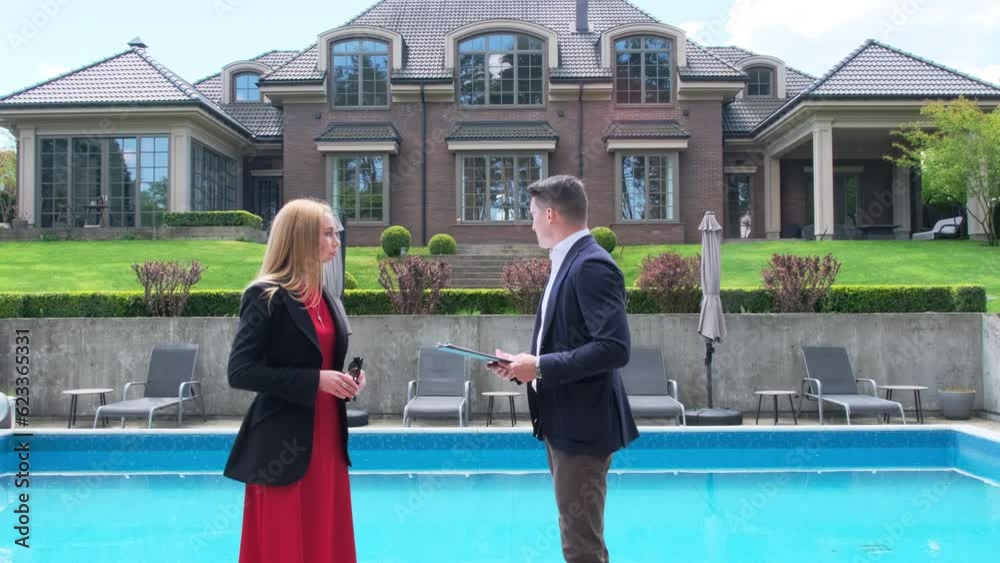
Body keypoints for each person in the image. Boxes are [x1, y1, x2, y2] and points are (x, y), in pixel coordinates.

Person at [488, 175, 638, 563]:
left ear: (551, 214)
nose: (531, 224)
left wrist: (539, 366)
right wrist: (524, 364)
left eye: (532, 215)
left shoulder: (591, 265)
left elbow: (614, 348)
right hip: (564, 422)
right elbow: (569, 341)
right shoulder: (568, 261)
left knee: (581, 546)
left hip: (583, 426)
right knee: (581, 539)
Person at [224, 198, 366, 563]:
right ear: (301, 237)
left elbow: (323, 361)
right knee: (284, 543)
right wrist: (315, 381)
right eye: (328, 234)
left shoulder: (326, 297)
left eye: (335, 233)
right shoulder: (265, 296)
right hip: (282, 445)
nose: (336, 241)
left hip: (328, 439)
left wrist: (346, 381)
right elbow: (239, 371)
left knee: (326, 536)